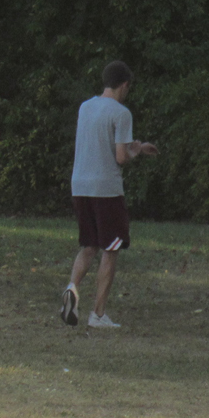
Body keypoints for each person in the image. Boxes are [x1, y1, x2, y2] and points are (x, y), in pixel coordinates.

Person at [60, 60, 158, 329]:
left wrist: (136, 148)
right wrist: (134, 153)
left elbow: (105, 144)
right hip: (106, 189)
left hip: (80, 185)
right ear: (124, 85)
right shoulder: (121, 113)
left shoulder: (85, 107)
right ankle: (98, 315)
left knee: (88, 245)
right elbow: (119, 157)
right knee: (111, 248)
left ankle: (72, 287)